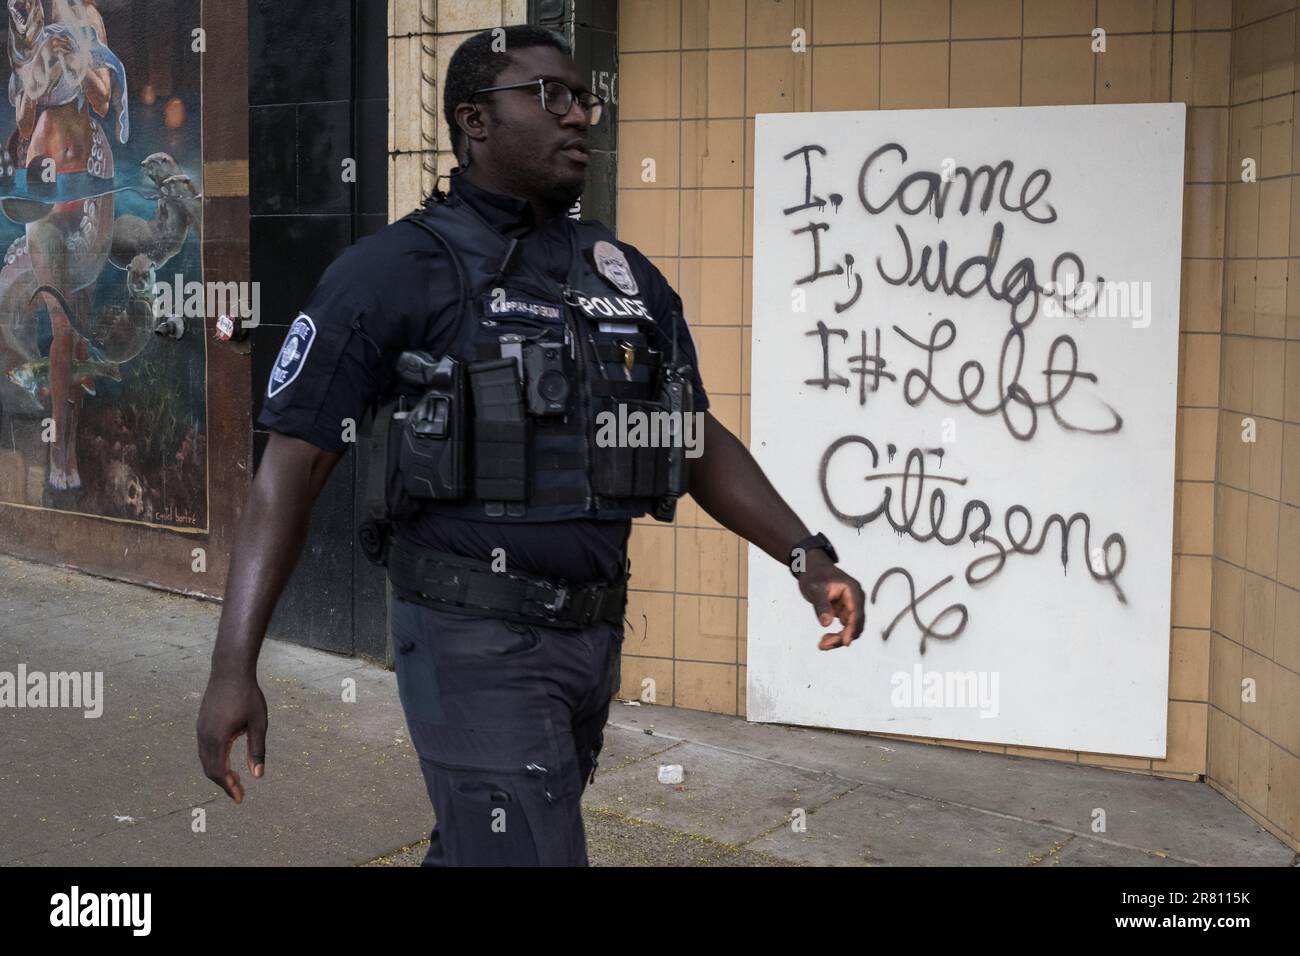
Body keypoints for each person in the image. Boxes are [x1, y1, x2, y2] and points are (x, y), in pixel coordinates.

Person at [197, 24, 865, 867]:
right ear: (475, 121)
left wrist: (806, 555)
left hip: (591, 638)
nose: (580, 114)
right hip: (468, 636)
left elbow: (689, 436)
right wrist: (233, 666)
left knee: (487, 848)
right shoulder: (393, 269)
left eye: (583, 97)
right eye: (550, 95)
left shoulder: (621, 272)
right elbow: (290, 469)